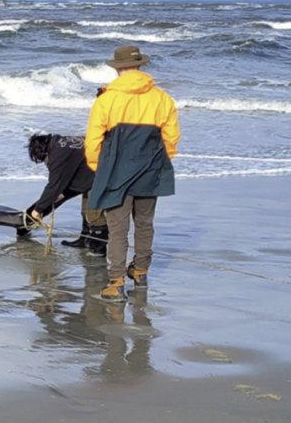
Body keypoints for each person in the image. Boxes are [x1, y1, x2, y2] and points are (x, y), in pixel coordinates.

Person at [85, 45, 179, 302]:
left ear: (118, 68)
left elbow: (93, 140)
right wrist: (157, 162)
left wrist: (98, 167)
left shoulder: (107, 99)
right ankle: (140, 271)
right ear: (139, 67)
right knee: (145, 223)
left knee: (117, 228)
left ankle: (116, 282)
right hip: (150, 168)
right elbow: (171, 139)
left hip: (115, 170)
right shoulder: (162, 98)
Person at [22, 133, 108, 255]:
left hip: (104, 173)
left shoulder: (59, 154)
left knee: (93, 213)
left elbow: (54, 185)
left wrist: (38, 210)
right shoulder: (61, 143)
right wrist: (63, 193)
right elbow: (70, 175)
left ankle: (99, 247)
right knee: (85, 211)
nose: (46, 162)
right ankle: (85, 239)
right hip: (93, 170)